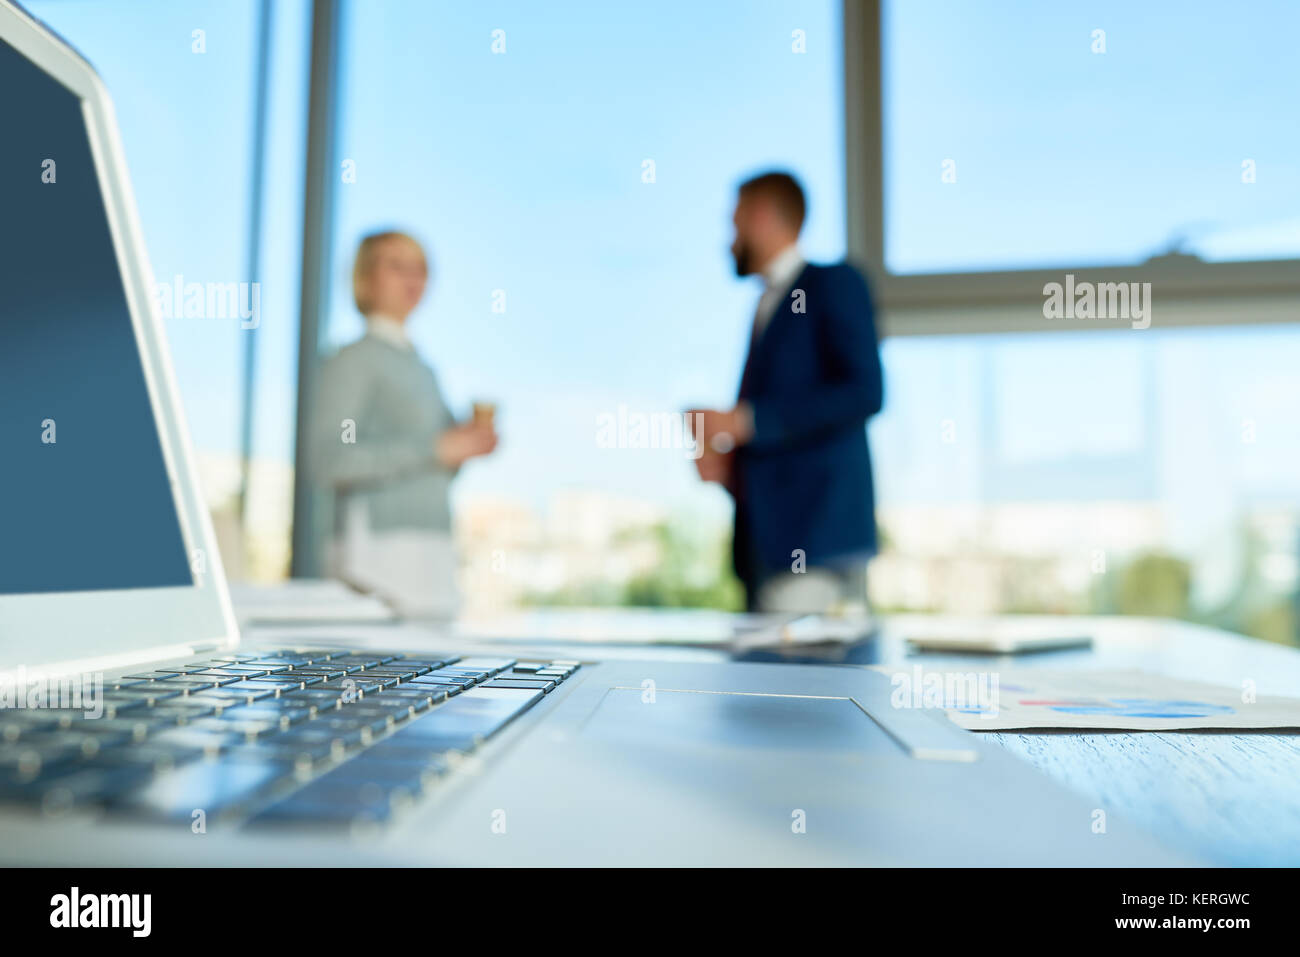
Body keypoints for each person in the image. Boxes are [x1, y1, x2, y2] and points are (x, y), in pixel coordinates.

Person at [689, 172, 884, 614]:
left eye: (735, 222)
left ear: (760, 217)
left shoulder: (833, 284)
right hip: (764, 550)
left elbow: (865, 392)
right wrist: (730, 467)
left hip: (817, 543)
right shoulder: (765, 302)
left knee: (810, 681)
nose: (730, 237)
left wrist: (747, 421)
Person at [310, 230, 496, 614]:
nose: (413, 278)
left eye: (420, 268)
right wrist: (433, 449)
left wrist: (460, 450)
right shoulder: (353, 359)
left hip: (432, 551)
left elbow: (436, 465)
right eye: (397, 266)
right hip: (377, 556)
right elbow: (329, 460)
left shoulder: (422, 367)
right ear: (365, 276)